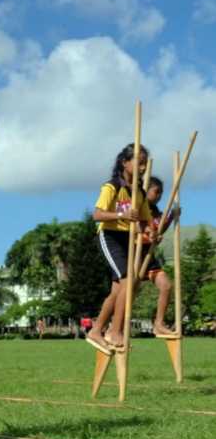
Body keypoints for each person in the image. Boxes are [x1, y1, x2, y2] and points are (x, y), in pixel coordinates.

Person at [86, 144, 153, 354]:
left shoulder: (139, 193)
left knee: (119, 290)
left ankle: (96, 330)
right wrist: (122, 216)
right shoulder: (112, 187)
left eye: (144, 163)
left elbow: (145, 221)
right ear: (125, 162)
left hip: (128, 239)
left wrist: (151, 231)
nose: (142, 167)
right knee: (127, 281)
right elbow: (97, 215)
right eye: (138, 162)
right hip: (109, 236)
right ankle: (115, 331)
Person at [143, 176, 181, 336]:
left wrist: (172, 216)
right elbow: (135, 232)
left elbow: (158, 231)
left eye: (161, 193)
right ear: (146, 190)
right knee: (126, 293)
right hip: (131, 255)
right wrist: (148, 236)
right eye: (156, 192)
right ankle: (112, 327)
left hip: (148, 255)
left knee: (166, 286)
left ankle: (158, 323)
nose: (159, 196)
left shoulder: (157, 211)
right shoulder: (138, 207)